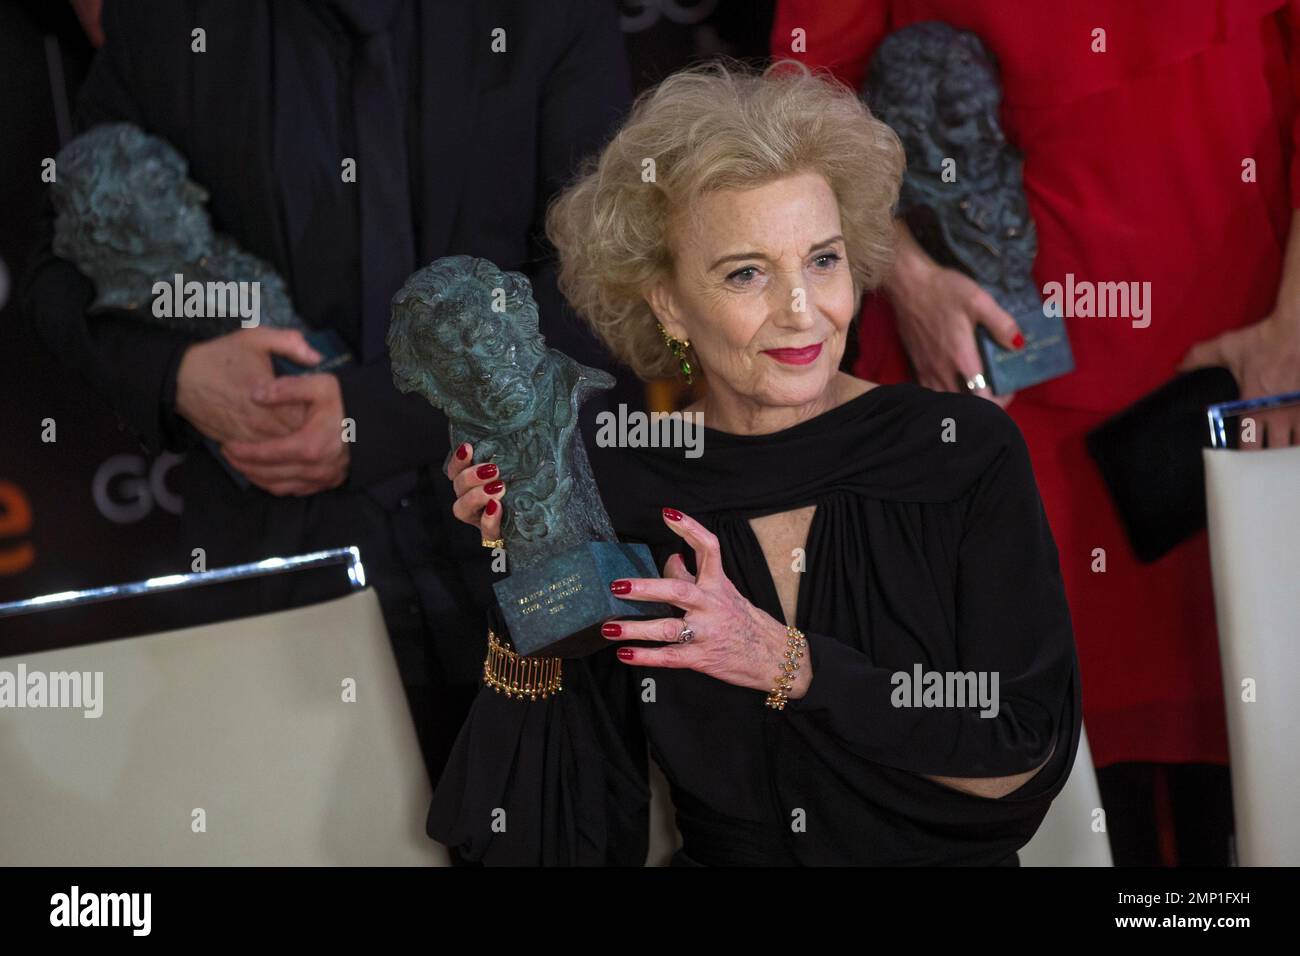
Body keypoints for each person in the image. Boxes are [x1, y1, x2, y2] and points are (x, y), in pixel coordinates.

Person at [426, 62, 1082, 866]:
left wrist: (787, 663)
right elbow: (567, 811)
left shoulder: (956, 453)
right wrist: (522, 565)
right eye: (747, 273)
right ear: (667, 302)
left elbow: (1017, 748)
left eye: (824, 260)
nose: (802, 310)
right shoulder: (614, 473)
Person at [21, 0, 632, 785]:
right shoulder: (165, 19)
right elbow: (57, 268)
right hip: (276, 574)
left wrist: (378, 415)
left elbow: (605, 282)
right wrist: (175, 376)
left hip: (530, 548)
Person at [770, 0, 1300, 864]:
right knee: (1039, 770)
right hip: (991, 378)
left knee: (1261, 734)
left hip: (1242, 360)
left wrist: (1295, 328)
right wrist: (905, 278)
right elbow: (805, 100)